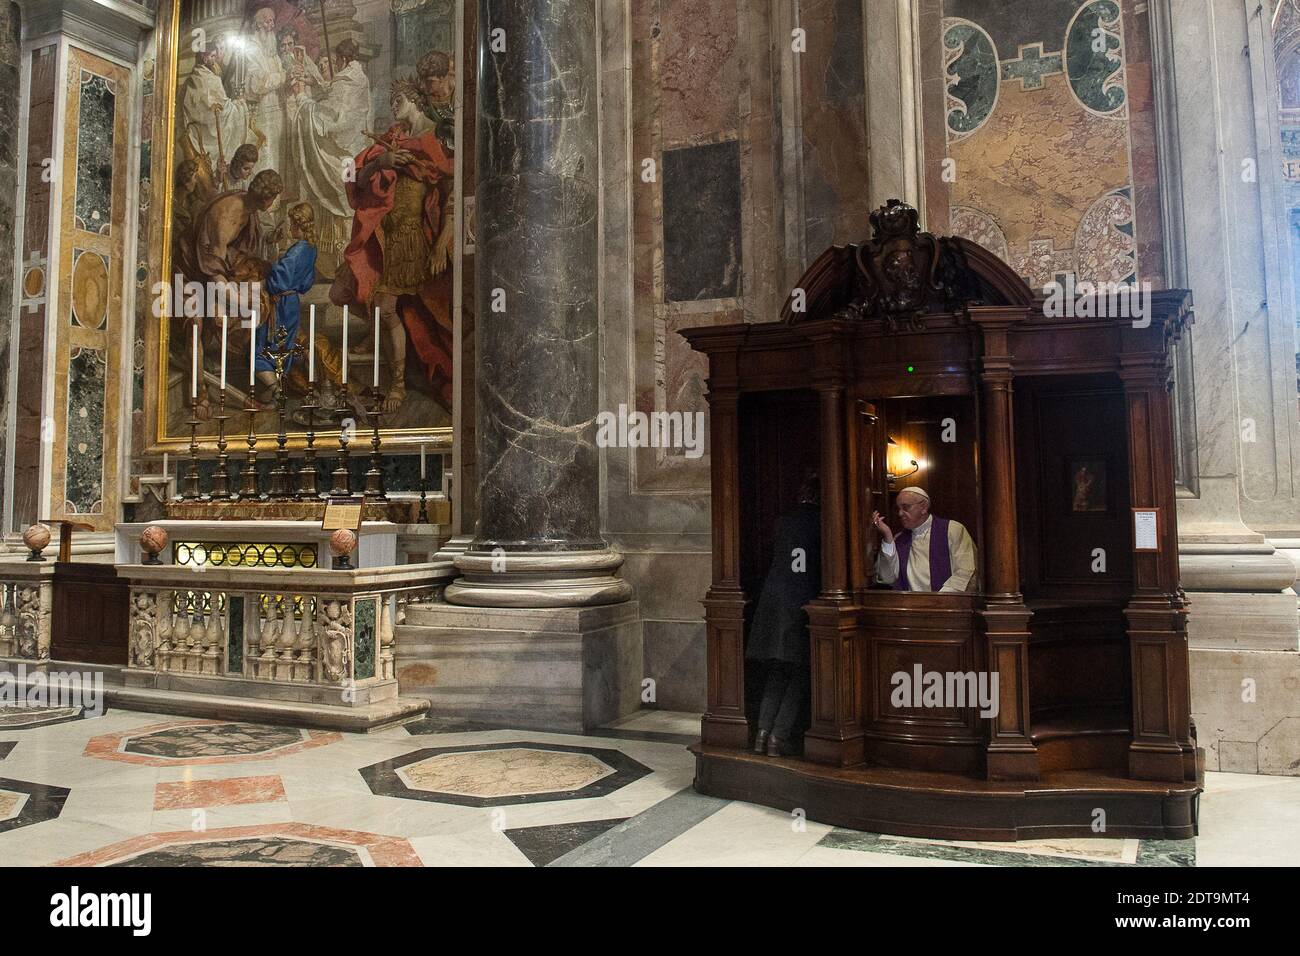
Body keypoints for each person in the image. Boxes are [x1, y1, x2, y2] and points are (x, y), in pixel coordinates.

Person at [330, 76, 454, 414]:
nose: (393, 107)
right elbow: (353, 175)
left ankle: (397, 383)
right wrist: (379, 163)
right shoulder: (392, 141)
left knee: (386, 307)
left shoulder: (435, 140)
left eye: (397, 100)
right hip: (384, 237)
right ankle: (378, 335)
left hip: (411, 238)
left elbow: (449, 189)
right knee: (342, 293)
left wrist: (444, 239)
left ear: (413, 98)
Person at [745, 471, 821, 757]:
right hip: (801, 607)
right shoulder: (820, 521)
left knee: (777, 672)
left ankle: (761, 736)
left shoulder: (784, 520)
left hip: (773, 604)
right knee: (800, 673)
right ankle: (779, 736)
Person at [872, 486, 977, 592]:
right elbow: (886, 578)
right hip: (910, 605)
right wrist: (887, 536)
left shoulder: (953, 530)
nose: (900, 513)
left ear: (924, 507)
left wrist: (938, 600)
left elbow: (966, 571)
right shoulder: (900, 539)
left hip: (945, 604)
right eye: (898, 509)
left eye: (906, 507)